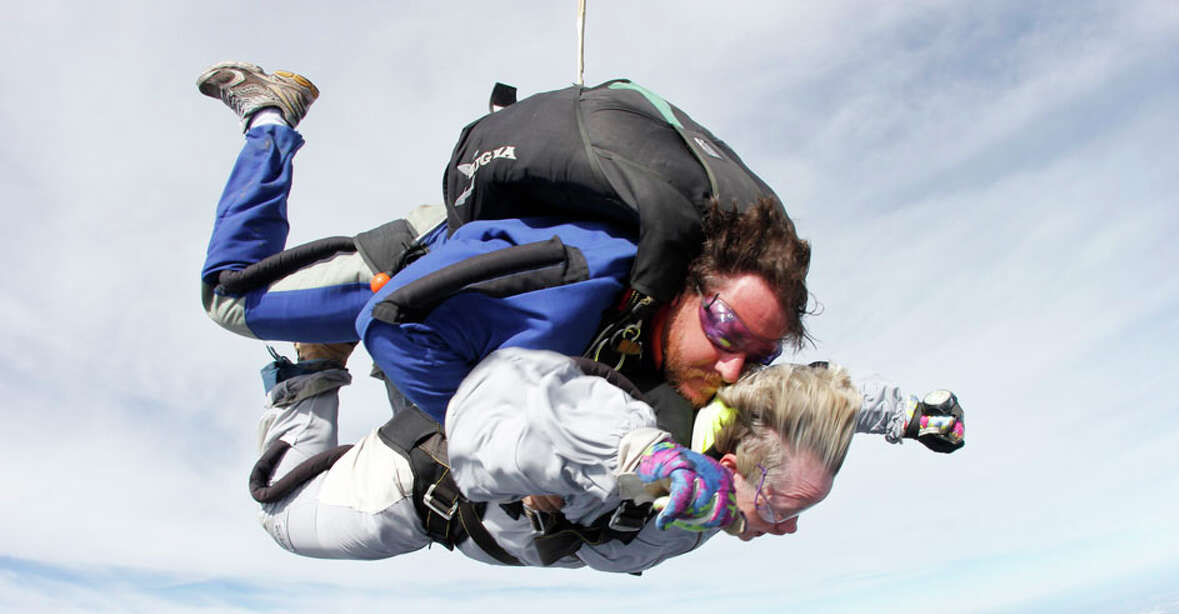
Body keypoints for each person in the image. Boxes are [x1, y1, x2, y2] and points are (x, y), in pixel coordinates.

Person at [195, 62, 810, 441]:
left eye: (758, 356)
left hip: (488, 280)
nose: (733, 370)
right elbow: (394, 325)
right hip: (416, 266)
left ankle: (331, 345)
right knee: (228, 299)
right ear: (691, 286)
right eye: (727, 330)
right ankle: (271, 115)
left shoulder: (680, 340)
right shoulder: (575, 286)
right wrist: (502, 440)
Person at [251, 346, 874, 573]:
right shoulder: (651, 478)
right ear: (731, 469)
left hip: (460, 435)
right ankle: (314, 367)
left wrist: (902, 419)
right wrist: (637, 458)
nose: (787, 527)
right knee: (282, 517)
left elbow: (831, 389)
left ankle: (400, 340)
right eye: (783, 508)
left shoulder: (735, 425)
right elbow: (564, 418)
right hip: (422, 486)